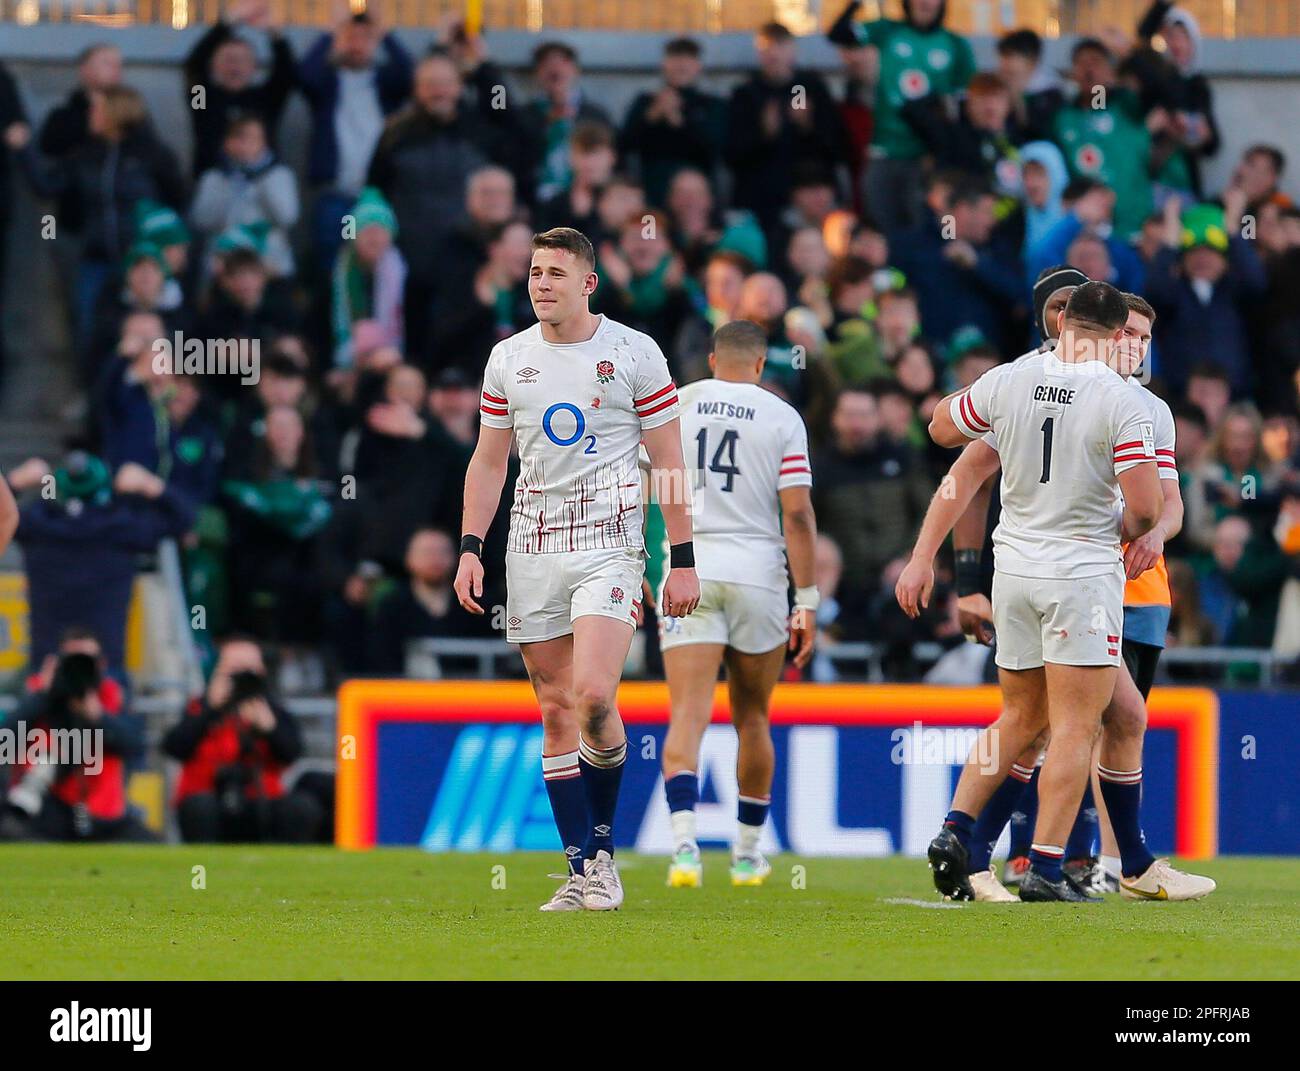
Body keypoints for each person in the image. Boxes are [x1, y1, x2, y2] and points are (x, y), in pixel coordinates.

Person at [453, 226, 700, 911]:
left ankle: (601, 851)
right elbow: (490, 460)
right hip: (531, 549)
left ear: (588, 282)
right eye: (534, 272)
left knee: (593, 695)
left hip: (610, 545)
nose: (541, 284)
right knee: (556, 710)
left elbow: (671, 465)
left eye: (555, 273)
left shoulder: (633, 353)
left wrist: (681, 560)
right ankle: (583, 867)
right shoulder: (508, 359)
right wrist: (471, 546)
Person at [897, 281, 1164, 902]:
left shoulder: (1010, 378)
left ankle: (958, 830)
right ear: (1117, 329)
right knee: (1075, 724)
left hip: (1012, 569)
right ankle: (1046, 866)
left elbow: (940, 429)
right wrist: (1117, 524)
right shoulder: (1121, 398)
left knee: (1019, 714)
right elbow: (1148, 510)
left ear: (1064, 319)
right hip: (1080, 571)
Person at [652, 320, 818, 888]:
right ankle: (747, 855)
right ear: (760, 362)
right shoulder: (781, 416)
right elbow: (796, 514)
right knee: (753, 717)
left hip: (690, 567)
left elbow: (651, 488)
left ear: (712, 358)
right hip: (758, 575)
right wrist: (810, 598)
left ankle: (683, 851)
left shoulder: (676, 404)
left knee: (688, 714)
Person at [163, 636, 323, 843]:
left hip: (262, 800)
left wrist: (270, 728)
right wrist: (210, 709)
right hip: (210, 799)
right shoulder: (199, 707)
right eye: (233, 671)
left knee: (301, 807)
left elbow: (292, 752)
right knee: (199, 808)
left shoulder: (272, 710)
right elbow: (174, 746)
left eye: (248, 671)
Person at [832, 0, 975, 231]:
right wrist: (855, 4)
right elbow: (838, 34)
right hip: (884, 151)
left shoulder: (956, 45)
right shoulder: (888, 30)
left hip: (925, 158)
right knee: (879, 228)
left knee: (925, 228)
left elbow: (964, 108)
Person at [1, 630, 152, 843]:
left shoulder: (111, 696)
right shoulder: (40, 695)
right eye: (72, 661)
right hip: (49, 808)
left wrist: (98, 716)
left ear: (101, 665)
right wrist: (43, 696)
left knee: (147, 845)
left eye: (87, 661)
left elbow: (135, 745)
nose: (79, 670)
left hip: (104, 813)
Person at [182, 0, 295, 178]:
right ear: (214, 65)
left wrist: (274, 33)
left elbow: (287, 74)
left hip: (262, 187)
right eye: (228, 59)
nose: (235, 66)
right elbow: (194, 67)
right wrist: (228, 22)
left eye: (242, 60)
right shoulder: (202, 101)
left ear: (254, 67)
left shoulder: (267, 100)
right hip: (214, 186)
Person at [619, 37, 726, 207]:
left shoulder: (712, 104)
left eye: (688, 58)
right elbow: (623, 144)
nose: (681, 65)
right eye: (675, 58)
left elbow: (714, 148)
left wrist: (679, 121)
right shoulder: (646, 102)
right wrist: (651, 116)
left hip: (696, 199)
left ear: (698, 66)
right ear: (664, 64)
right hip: (652, 195)